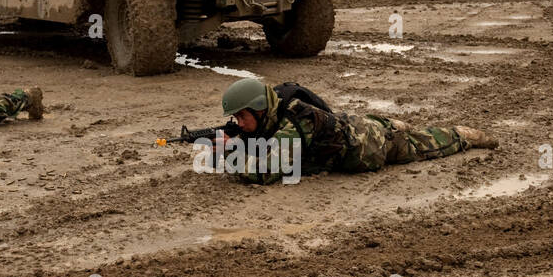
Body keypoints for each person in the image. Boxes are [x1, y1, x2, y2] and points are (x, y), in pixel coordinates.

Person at [212, 78, 497, 184]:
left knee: (426, 144)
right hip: (356, 126)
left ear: (260, 108)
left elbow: (266, 170)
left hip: (370, 147)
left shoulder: (296, 121)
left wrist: (230, 151)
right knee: (397, 128)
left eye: (241, 115)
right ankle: (396, 126)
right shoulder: (274, 115)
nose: (238, 122)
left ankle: (465, 135)